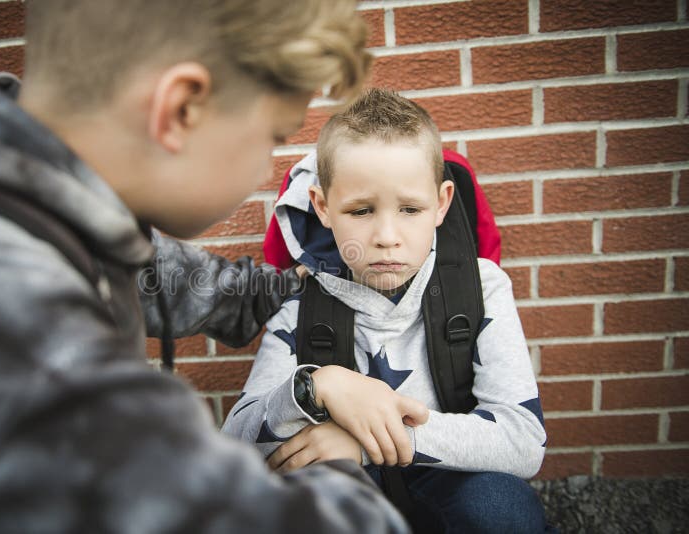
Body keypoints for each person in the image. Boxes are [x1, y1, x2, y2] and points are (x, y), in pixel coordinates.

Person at [0, 1, 413, 532]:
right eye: (273, 137)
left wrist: (295, 284)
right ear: (181, 110)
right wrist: (344, 456)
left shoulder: (8, 174)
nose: (263, 170)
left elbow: (167, 275)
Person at [222, 88, 550, 533]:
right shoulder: (300, 301)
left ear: (442, 203)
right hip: (352, 494)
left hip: (452, 476)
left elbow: (524, 442)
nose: (387, 237)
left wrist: (366, 443)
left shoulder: (480, 286)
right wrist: (315, 386)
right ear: (323, 207)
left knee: (502, 509)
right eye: (361, 210)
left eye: (410, 209)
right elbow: (238, 445)